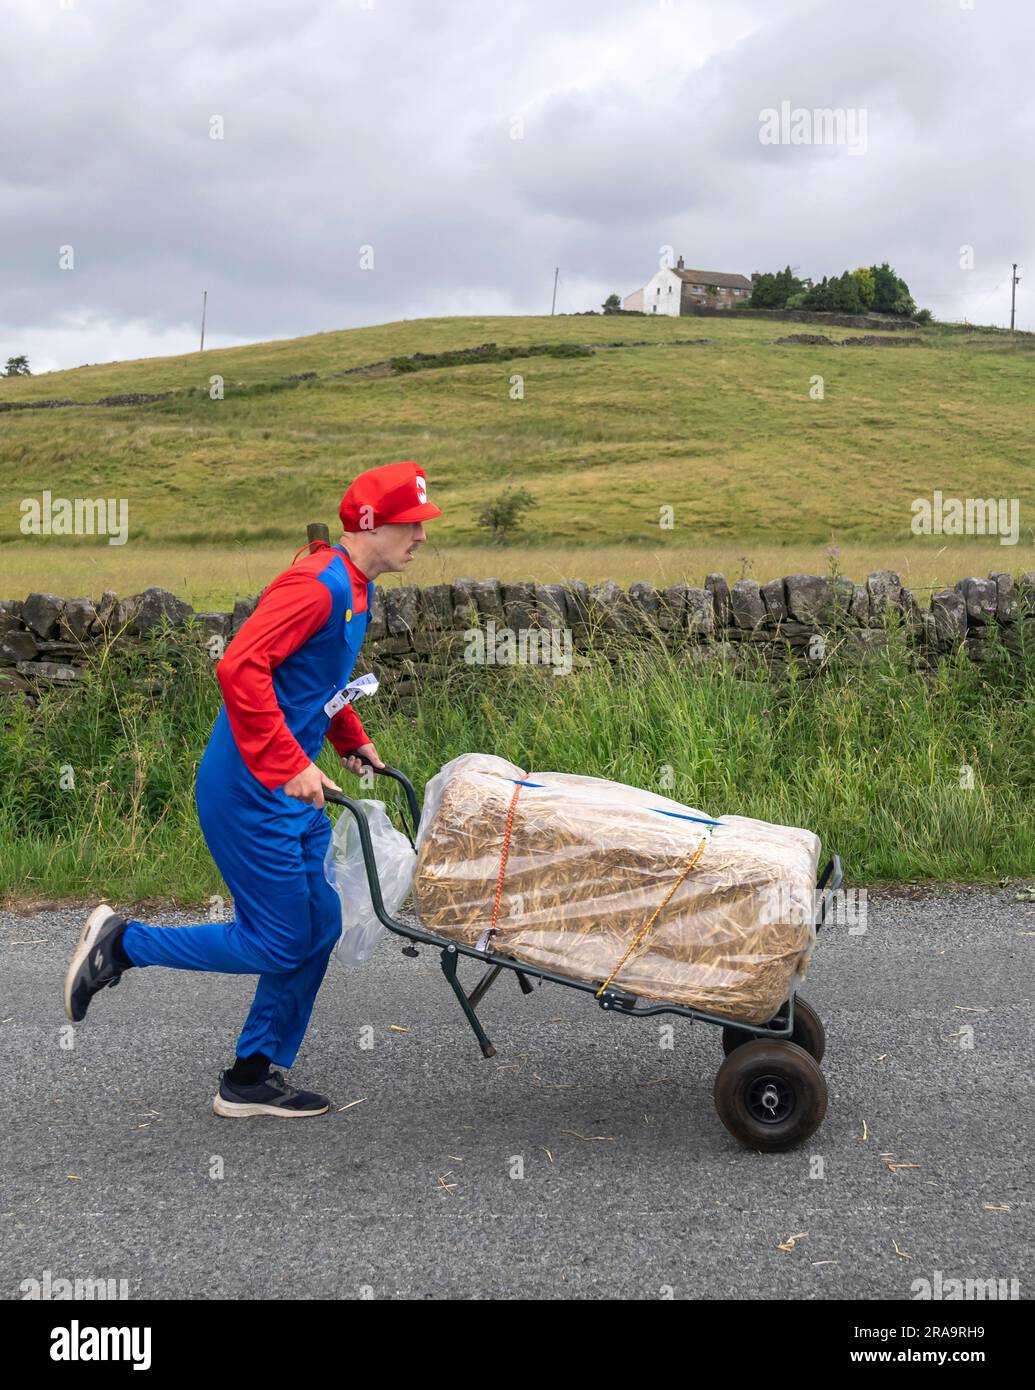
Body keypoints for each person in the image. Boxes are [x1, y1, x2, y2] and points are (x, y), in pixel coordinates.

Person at [63, 460, 441, 1118]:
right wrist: (285, 761)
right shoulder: (318, 583)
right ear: (372, 524)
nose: (423, 535)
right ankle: (124, 943)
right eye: (412, 524)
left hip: (292, 785)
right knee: (276, 939)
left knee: (318, 924)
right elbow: (239, 665)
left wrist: (348, 734)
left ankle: (250, 1075)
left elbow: (315, 677)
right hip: (250, 786)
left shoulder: (356, 588)